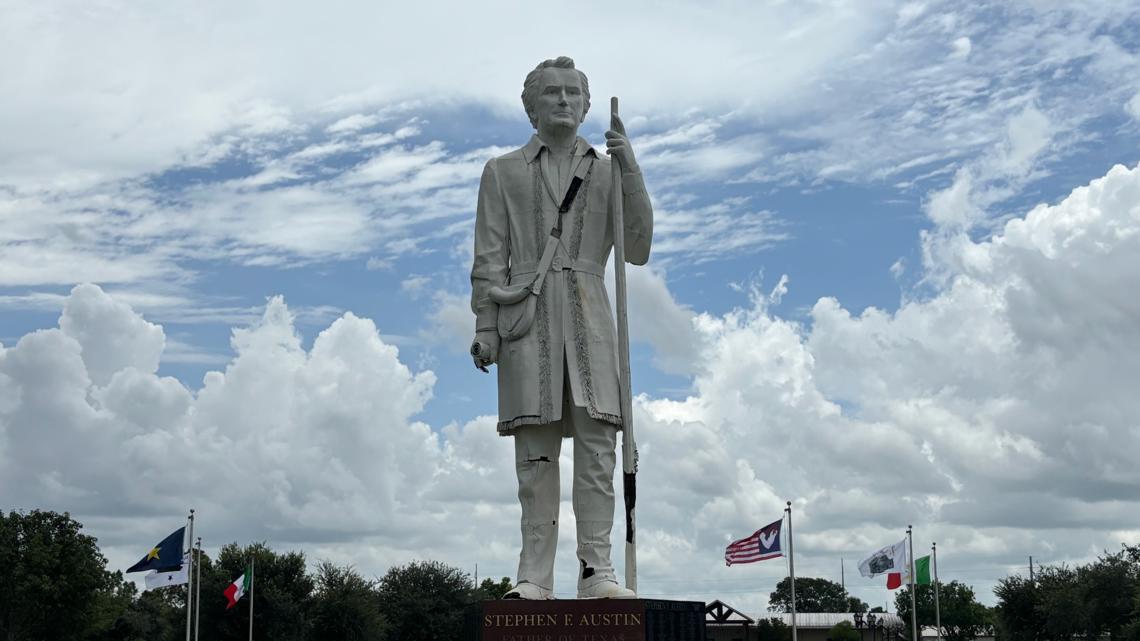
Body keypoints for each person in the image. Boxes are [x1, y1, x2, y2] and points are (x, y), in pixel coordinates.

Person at [469, 56, 653, 599]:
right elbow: (487, 259)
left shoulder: (607, 170)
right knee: (535, 457)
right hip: (527, 320)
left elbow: (638, 248)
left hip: (592, 317)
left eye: (573, 93)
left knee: (599, 448)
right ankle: (534, 575)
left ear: (587, 104)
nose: (564, 101)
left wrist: (633, 168)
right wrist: (486, 327)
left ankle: (597, 569)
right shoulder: (501, 171)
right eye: (552, 93)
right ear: (530, 105)